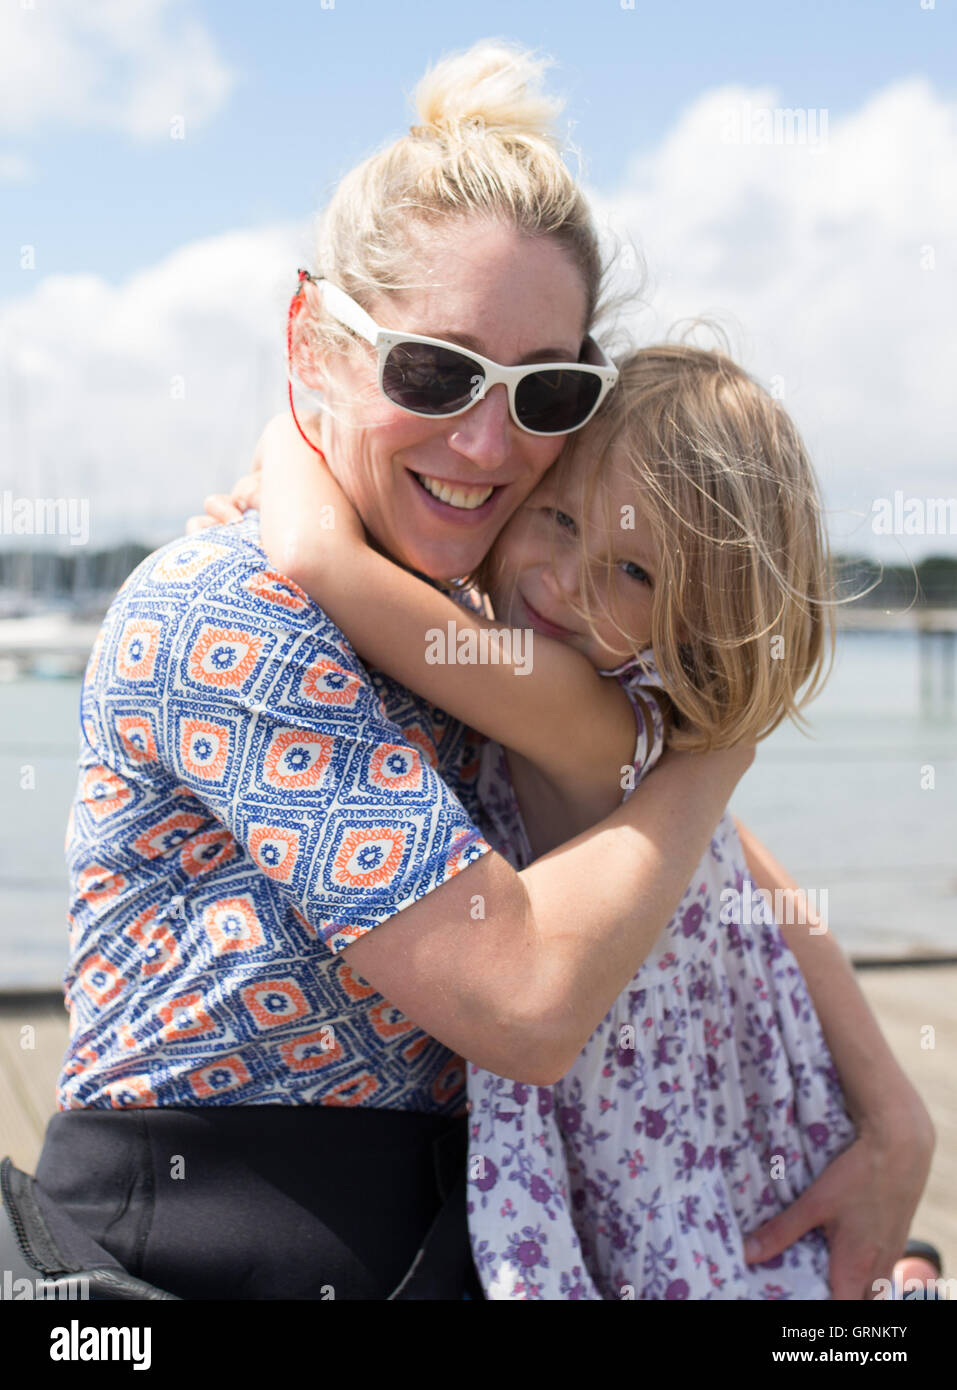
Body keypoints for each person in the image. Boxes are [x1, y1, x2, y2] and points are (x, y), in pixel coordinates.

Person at [16, 40, 930, 1302]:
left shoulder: (473, 613)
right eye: (434, 372)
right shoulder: (232, 613)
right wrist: (718, 744)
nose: (489, 439)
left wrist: (892, 1112)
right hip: (200, 1246)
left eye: (545, 391)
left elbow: (694, 833)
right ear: (314, 338)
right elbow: (532, 997)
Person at [221, 342, 939, 1300]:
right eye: (556, 517)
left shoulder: (590, 710)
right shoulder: (657, 736)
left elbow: (319, 560)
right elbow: (739, 853)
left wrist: (288, 446)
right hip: (705, 1093)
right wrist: (893, 1106)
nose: (562, 583)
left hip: (668, 1123)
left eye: (633, 572)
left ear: (704, 611)